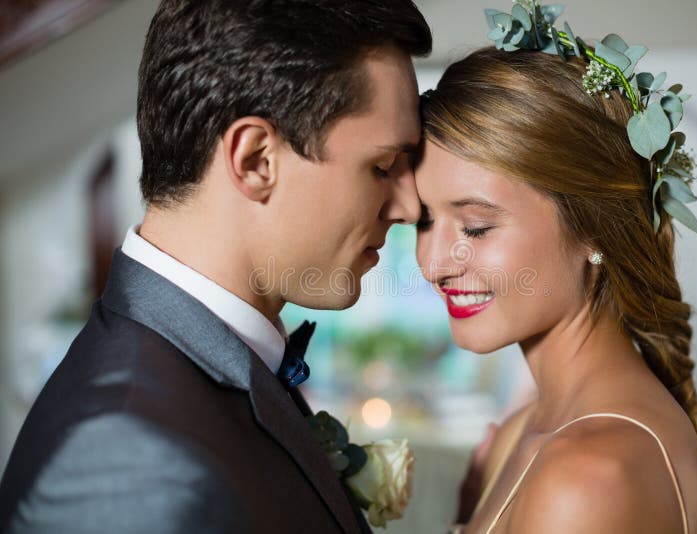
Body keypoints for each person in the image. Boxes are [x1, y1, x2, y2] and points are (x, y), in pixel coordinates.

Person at [0, 1, 430, 532]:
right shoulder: (130, 462)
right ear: (255, 160)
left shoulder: (211, 366)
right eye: (383, 166)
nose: (410, 207)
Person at [414, 5, 697, 533]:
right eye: (422, 221)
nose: (432, 264)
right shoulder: (522, 431)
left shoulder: (588, 478)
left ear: (593, 228)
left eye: (476, 227)